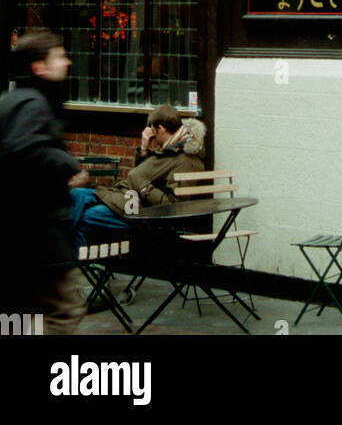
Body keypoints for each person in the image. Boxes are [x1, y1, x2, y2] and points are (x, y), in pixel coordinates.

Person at [0, 30, 88, 333]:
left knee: (18, 319)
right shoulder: (33, 103)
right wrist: (67, 163)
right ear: (39, 66)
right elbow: (22, 149)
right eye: (60, 56)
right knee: (65, 310)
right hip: (40, 238)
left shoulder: (13, 101)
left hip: (18, 239)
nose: (67, 62)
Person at [69, 104, 206, 246]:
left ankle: (70, 260)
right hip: (125, 196)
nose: (151, 134)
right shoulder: (171, 148)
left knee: (87, 216)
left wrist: (144, 187)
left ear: (161, 129)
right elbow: (144, 174)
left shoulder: (185, 161)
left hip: (138, 209)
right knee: (77, 193)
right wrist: (144, 149)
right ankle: (65, 253)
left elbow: (172, 207)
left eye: (153, 129)